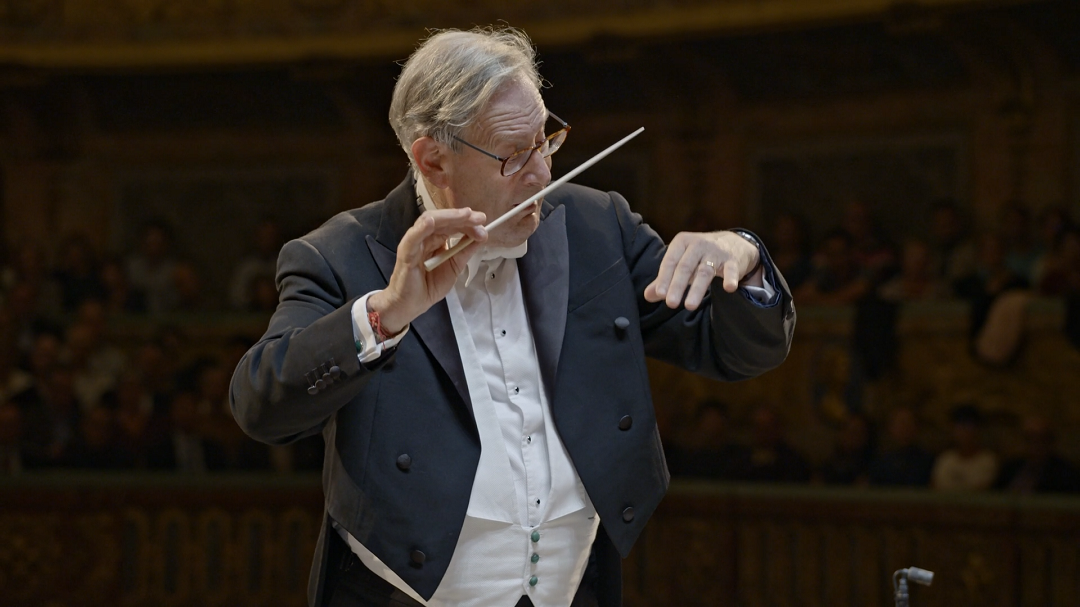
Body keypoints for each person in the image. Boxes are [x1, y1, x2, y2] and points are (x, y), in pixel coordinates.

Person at [230, 27, 794, 607]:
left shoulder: (598, 226)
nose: (542, 173)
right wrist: (384, 316)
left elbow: (736, 352)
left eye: (545, 141)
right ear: (433, 159)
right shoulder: (338, 255)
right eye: (514, 154)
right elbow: (259, 408)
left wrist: (744, 257)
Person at [930, 404, 998, 491]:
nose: (964, 432)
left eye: (969, 426)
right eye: (959, 427)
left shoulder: (987, 461)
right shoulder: (945, 459)